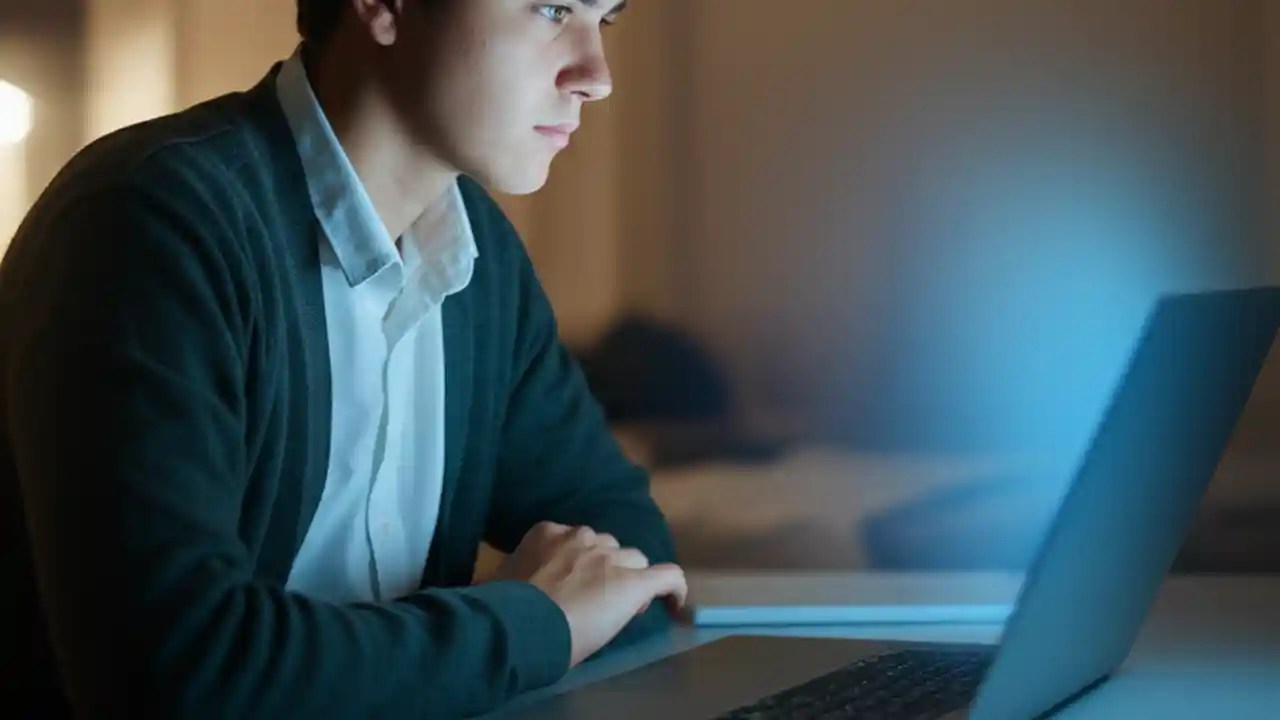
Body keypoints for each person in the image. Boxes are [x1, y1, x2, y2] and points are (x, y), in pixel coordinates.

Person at [0, 0, 685, 716]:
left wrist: (510, 632)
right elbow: (183, 669)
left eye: (602, 20)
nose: (597, 75)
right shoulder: (147, 222)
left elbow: (631, 553)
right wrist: (534, 625)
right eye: (551, 10)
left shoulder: (481, 260)